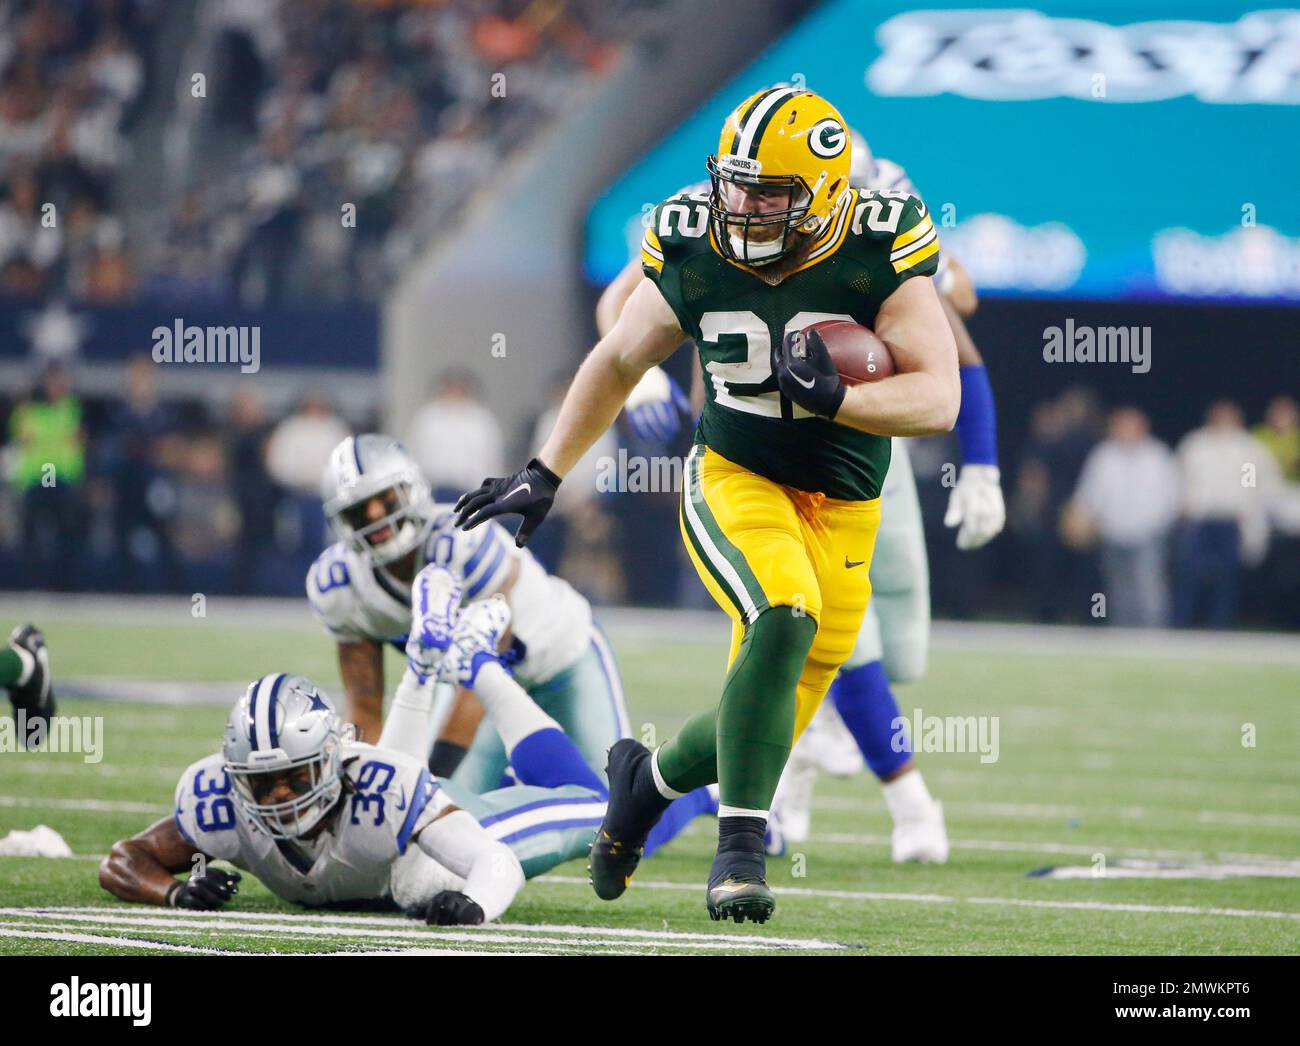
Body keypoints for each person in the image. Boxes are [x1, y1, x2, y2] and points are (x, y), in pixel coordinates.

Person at [456, 86, 959, 923]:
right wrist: (544, 471)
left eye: (769, 193)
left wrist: (838, 400)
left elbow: (935, 397)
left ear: (826, 194)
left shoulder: (879, 242)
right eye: (735, 184)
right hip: (735, 472)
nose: (744, 207)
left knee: (759, 720)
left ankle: (642, 784)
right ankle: (740, 852)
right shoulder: (694, 238)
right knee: (784, 610)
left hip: (845, 499)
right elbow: (620, 357)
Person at [591, 127, 995, 862]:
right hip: (750, 454)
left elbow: (958, 327)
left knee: (892, 651)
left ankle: (782, 755)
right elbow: (624, 311)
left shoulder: (886, 225)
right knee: (795, 626)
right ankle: (875, 802)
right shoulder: (714, 217)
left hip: (869, 449)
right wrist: (643, 375)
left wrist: (983, 461)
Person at [99, 572, 707, 922]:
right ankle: (434, 663)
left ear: (328, 759)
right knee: (403, 800)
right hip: (402, 824)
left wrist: (472, 907)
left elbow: (493, 865)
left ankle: (477, 667)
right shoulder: (219, 804)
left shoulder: (381, 790)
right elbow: (123, 860)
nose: (279, 795)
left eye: (293, 775)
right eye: (264, 782)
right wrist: (173, 891)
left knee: (609, 812)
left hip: (431, 852)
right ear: (236, 779)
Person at [1064, 407, 1180, 628]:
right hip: (1112, 533)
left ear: (1141, 428)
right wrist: (1079, 516)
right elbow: (1089, 493)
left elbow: (1171, 497)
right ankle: (1122, 636)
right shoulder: (1103, 455)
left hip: (1148, 534)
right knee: (1117, 588)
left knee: (1149, 587)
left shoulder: (1158, 456)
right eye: (1119, 426)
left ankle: (1154, 635)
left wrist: (1156, 526)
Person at [8, 363, 84, 590]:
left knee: (66, 536)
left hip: (62, 478)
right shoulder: (28, 411)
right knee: (31, 536)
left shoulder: (70, 408)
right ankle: (31, 585)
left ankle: (65, 586)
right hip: (37, 478)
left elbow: (75, 440)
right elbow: (24, 438)